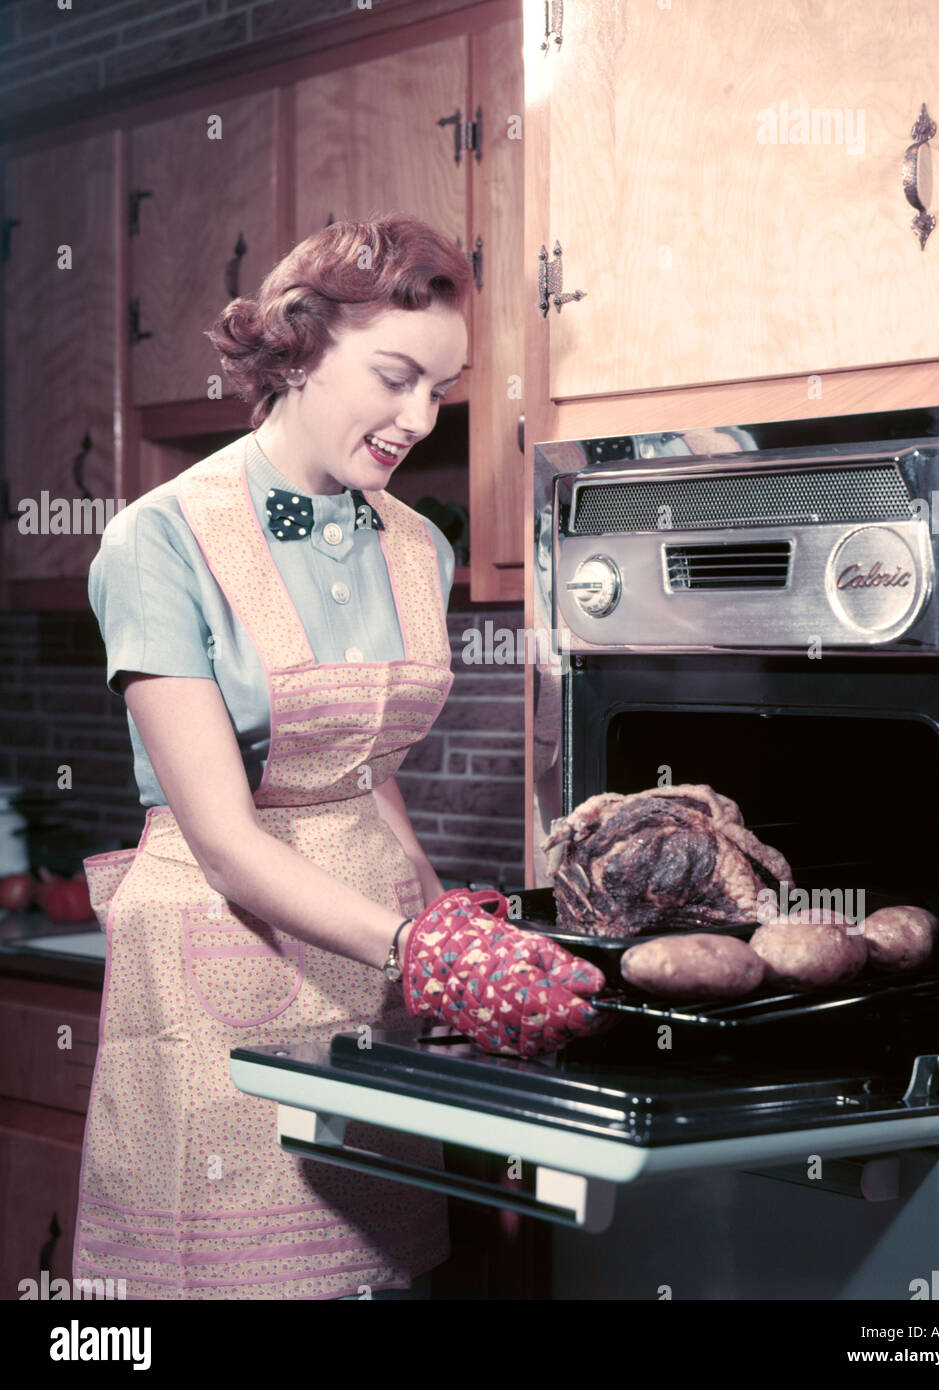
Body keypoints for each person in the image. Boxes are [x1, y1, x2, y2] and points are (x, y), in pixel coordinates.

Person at [72, 214, 605, 1301]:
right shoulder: (161, 537)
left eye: (442, 391)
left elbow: (360, 759)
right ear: (303, 344)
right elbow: (224, 839)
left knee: (377, 1275)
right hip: (218, 952)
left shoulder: (418, 541)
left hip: (372, 962)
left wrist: (439, 920)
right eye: (396, 377)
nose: (418, 419)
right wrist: (423, 945)